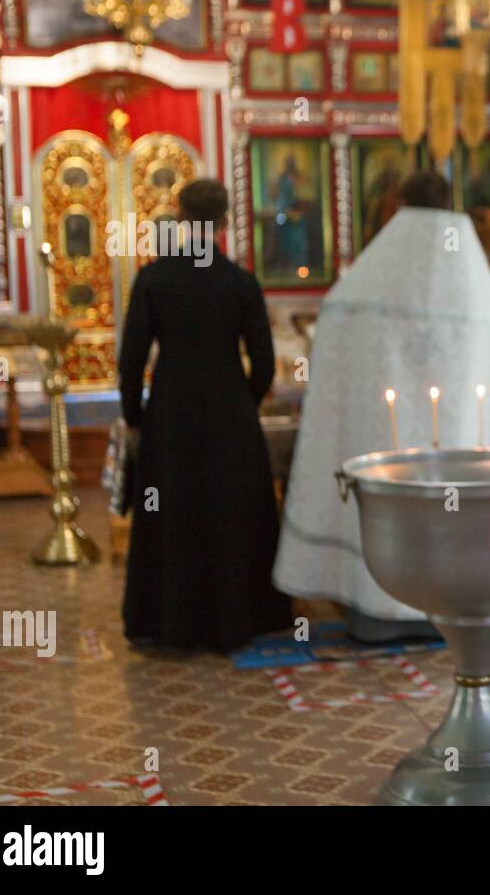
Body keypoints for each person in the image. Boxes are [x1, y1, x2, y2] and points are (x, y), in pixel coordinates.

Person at [272, 171, 490, 643]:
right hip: (456, 431)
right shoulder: (470, 274)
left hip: (380, 433)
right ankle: (455, 609)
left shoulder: (376, 269)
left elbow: (335, 322)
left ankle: (378, 610)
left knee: (387, 503)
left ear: (401, 201)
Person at [118, 179, 292, 652]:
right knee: (231, 513)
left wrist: (134, 417)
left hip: (171, 414)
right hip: (230, 413)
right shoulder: (240, 281)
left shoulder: (154, 279)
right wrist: (242, 402)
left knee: (171, 512)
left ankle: (169, 621)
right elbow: (264, 360)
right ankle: (241, 618)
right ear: (225, 222)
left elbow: (131, 358)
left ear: (180, 216)